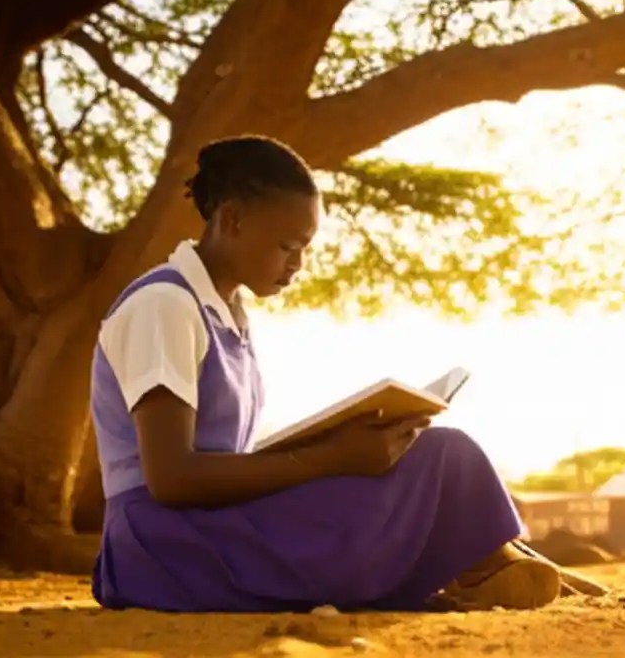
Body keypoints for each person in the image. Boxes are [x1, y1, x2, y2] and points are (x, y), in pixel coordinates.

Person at [89, 135, 560, 613]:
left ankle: (483, 563)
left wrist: (336, 449)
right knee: (442, 455)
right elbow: (171, 479)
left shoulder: (228, 313)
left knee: (429, 451)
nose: (298, 263)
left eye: (306, 247)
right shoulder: (164, 304)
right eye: (288, 245)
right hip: (167, 548)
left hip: (212, 524)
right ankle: (482, 566)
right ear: (231, 220)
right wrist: (327, 459)